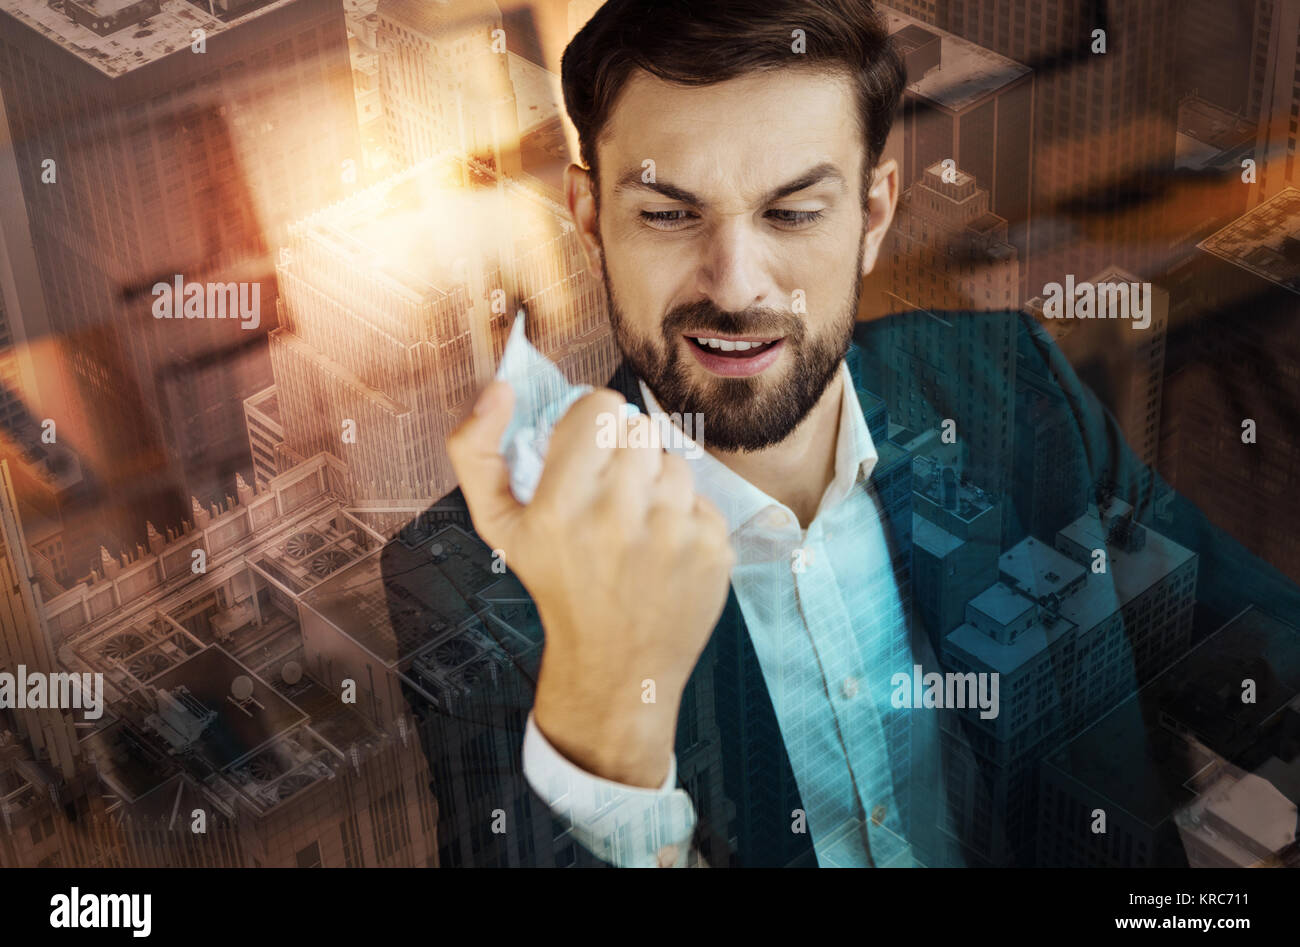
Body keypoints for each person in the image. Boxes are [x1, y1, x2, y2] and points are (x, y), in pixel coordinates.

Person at [382, 0, 1300, 867]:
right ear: (592, 220)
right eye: (667, 213)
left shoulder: (1016, 384)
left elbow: (1268, 653)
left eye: (793, 212)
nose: (737, 286)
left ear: (872, 215)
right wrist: (604, 741)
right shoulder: (471, 575)